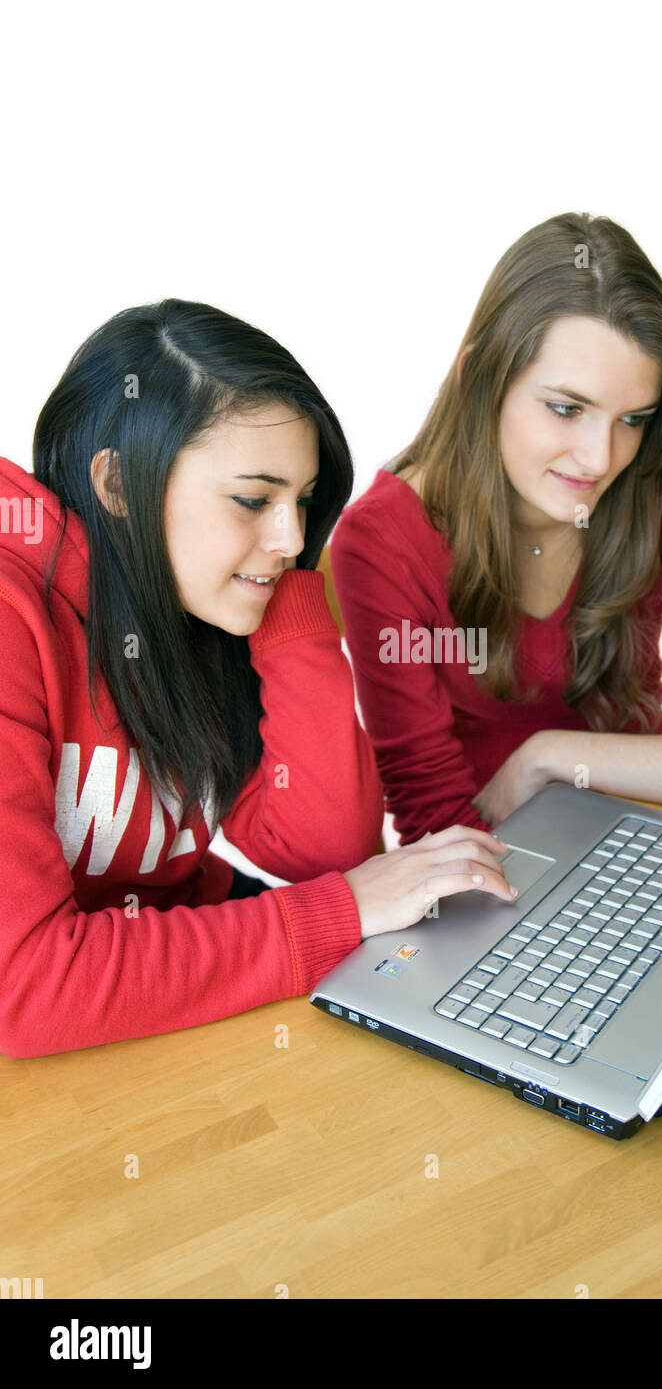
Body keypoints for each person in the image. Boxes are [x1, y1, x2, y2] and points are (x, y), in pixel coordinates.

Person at [0, 299, 513, 1059]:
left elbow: (327, 849)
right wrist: (333, 914)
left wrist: (288, 604)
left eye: (303, 503)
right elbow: (29, 991)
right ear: (116, 486)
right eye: (253, 499)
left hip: (167, 978)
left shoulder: (193, 599)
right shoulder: (14, 618)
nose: (293, 538)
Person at [330, 212, 662, 844]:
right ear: (477, 383)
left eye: (634, 418)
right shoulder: (383, 542)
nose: (601, 459)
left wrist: (546, 758)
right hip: (502, 859)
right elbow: (435, 825)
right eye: (567, 408)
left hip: (657, 835)